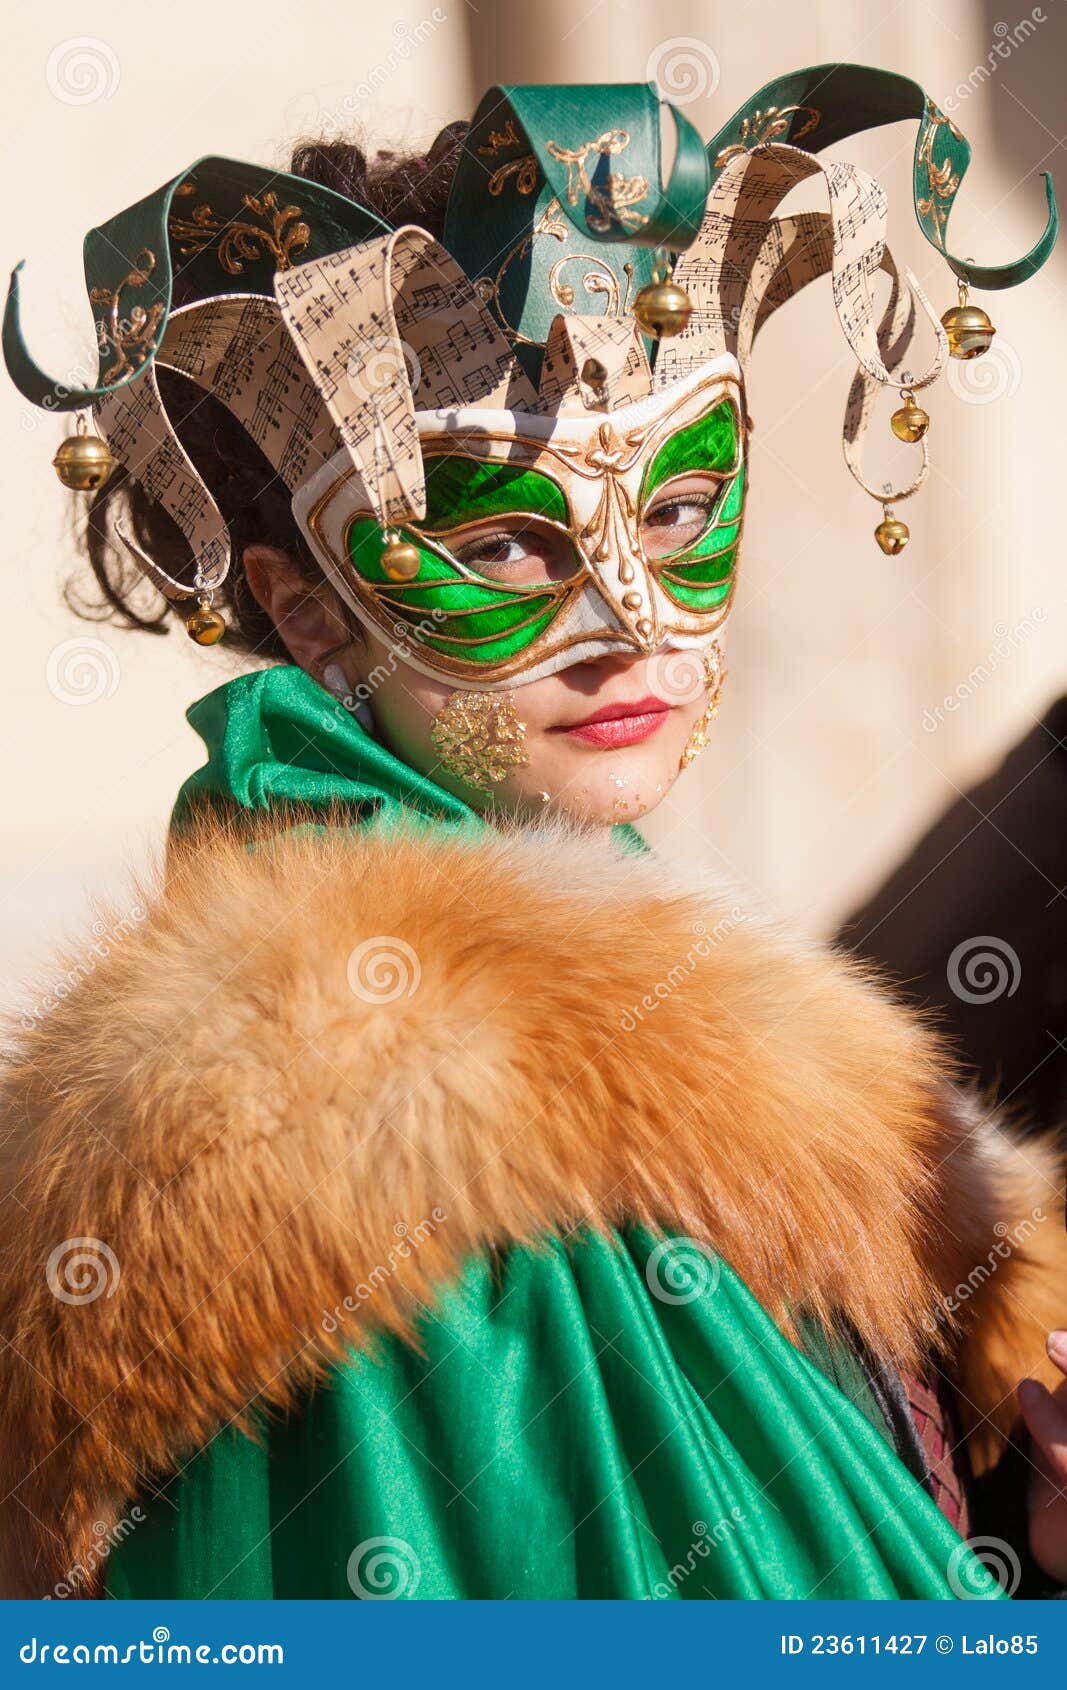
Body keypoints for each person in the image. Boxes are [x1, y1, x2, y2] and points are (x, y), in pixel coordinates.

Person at [2, 65, 1065, 1602]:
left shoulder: (675, 1027)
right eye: (500, 539)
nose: (627, 623)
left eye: (686, 511)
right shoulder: (366, 1124)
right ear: (309, 612)